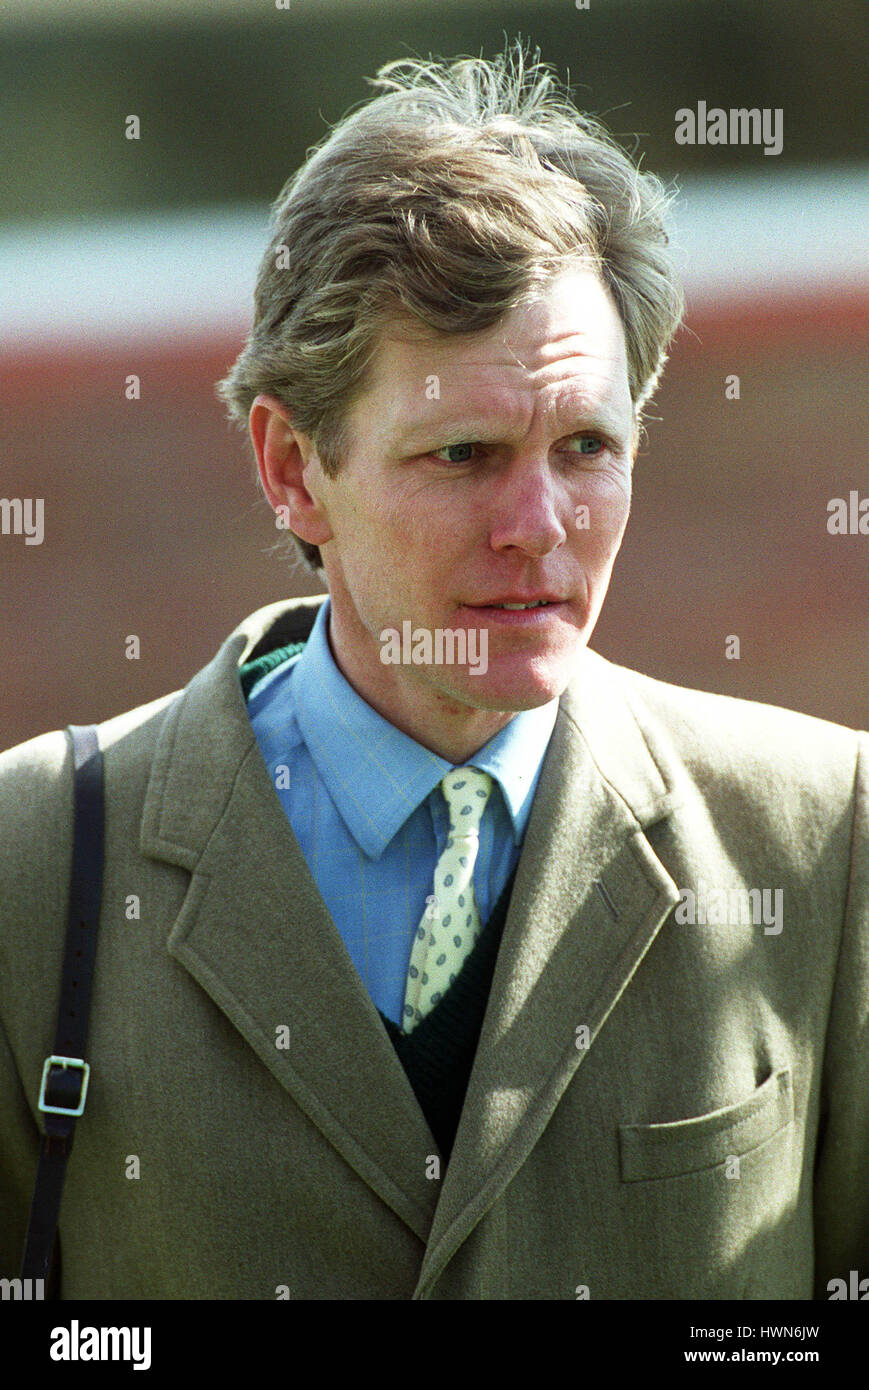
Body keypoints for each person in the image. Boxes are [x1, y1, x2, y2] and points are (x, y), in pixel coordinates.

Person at [1, 43, 865, 1301]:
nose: (539, 522)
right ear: (294, 467)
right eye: (462, 454)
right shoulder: (39, 863)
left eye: (585, 445)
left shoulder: (822, 839)